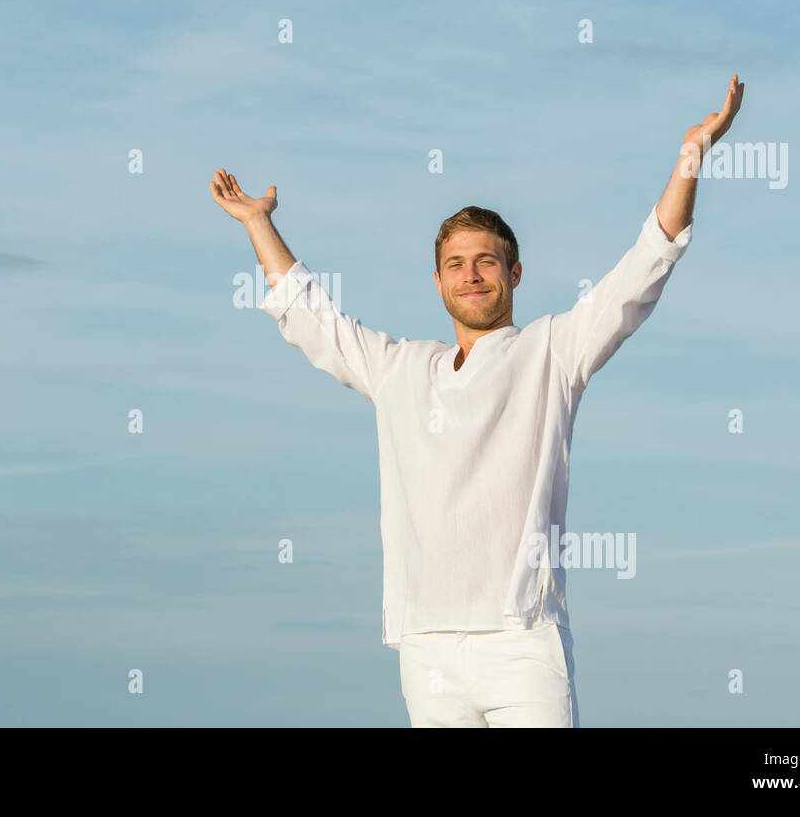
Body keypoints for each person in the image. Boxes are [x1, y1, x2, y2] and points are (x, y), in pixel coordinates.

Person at [209, 76, 744, 727]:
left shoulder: (552, 351)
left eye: (487, 261)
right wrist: (259, 224)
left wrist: (691, 155)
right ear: (437, 280)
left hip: (520, 640)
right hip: (426, 643)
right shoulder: (402, 367)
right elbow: (312, 318)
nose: (471, 273)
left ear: (514, 274)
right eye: (457, 262)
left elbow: (643, 269)